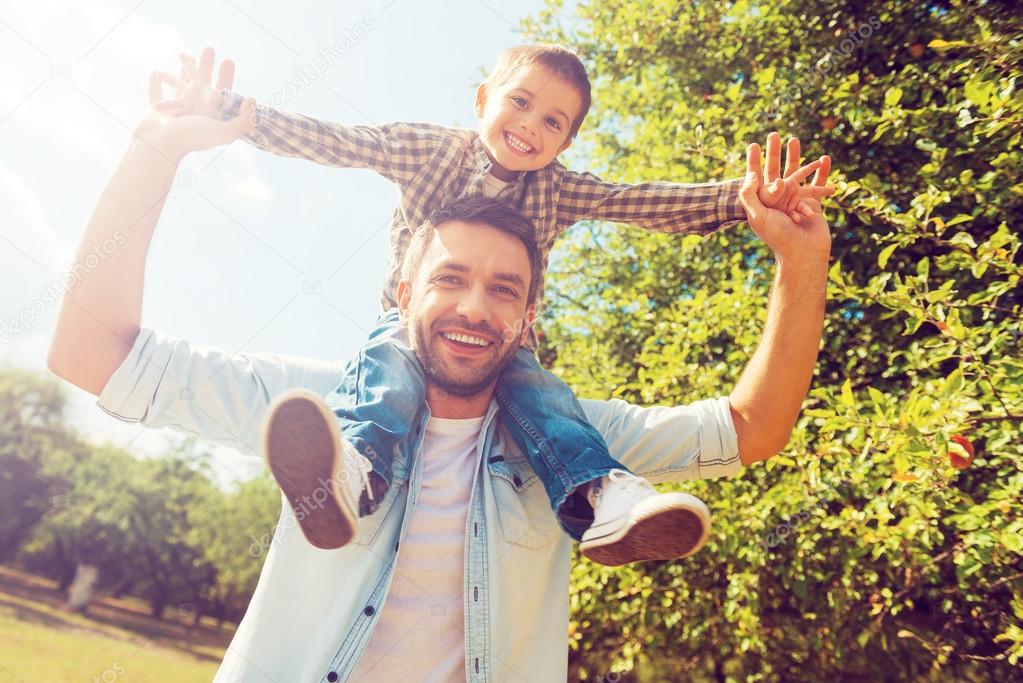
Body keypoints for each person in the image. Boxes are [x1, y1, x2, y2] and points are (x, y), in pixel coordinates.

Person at [47, 73, 832, 679]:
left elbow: (751, 426)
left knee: (572, 444)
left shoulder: (561, 424)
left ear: (528, 315)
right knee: (359, 418)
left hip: (565, 438)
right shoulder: (313, 408)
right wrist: (163, 143)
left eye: (502, 289)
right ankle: (353, 473)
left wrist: (793, 252)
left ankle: (602, 496)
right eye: (449, 278)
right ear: (404, 292)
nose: (473, 307)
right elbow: (89, 354)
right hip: (345, 424)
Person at [151, 44, 832, 565]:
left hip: (506, 341)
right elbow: (341, 142)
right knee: (388, 366)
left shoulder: (560, 190)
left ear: (566, 143)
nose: (529, 127)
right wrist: (239, 115)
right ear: (483, 99)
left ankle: (603, 497)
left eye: (552, 122)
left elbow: (637, 201)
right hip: (412, 327)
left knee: (540, 394)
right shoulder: (426, 150)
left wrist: (739, 201)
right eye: (519, 103)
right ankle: (355, 472)